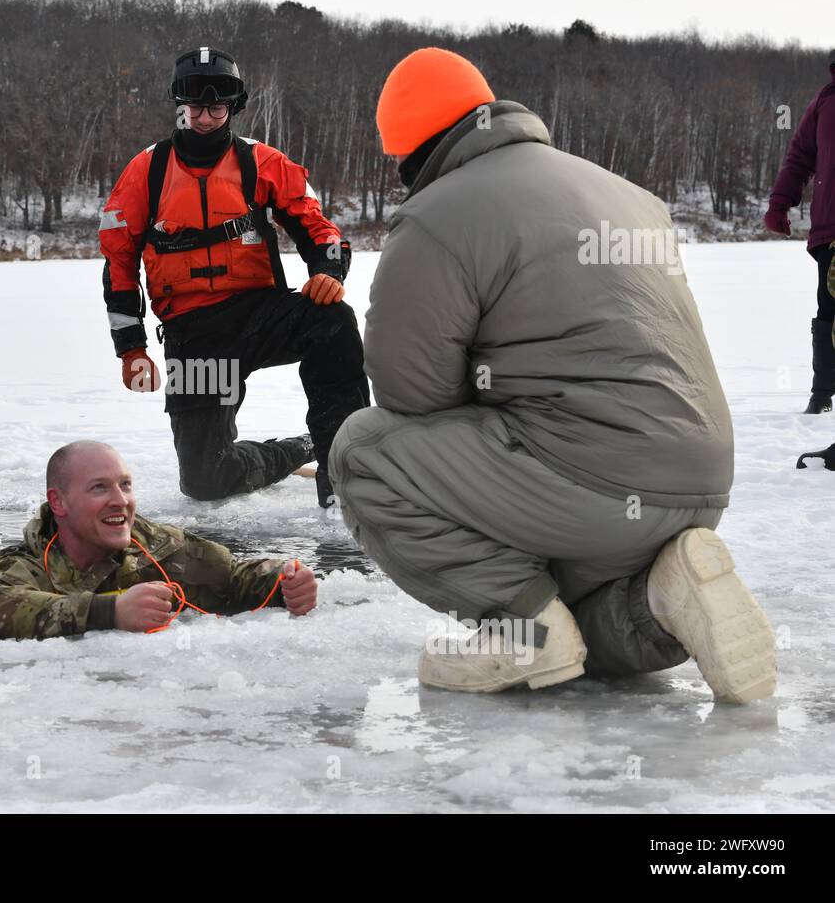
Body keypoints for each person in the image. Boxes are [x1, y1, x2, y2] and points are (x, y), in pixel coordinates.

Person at [327, 48, 776, 703]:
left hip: (584, 475)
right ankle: (662, 598)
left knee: (363, 453)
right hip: (696, 484)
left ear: (408, 152)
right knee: (572, 613)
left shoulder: (438, 215)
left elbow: (408, 395)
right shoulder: (623, 193)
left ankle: (520, 632)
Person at [99, 46, 369, 507]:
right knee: (206, 481)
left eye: (217, 107)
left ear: (233, 108)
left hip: (260, 318)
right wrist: (131, 348)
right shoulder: (146, 171)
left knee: (333, 319)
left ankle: (347, 474)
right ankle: (294, 450)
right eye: (198, 106)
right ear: (180, 104)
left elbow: (320, 230)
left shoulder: (262, 163)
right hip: (196, 335)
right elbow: (119, 263)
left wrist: (328, 271)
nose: (207, 117)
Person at [0, 441, 318, 639]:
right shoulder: (30, 562)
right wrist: (110, 613)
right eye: (100, 487)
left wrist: (282, 579)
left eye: (125, 485)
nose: (120, 500)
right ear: (59, 502)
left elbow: (234, 577)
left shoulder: (159, 546)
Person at [766, 49, 835, 414]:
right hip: (831, 230)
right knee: (829, 313)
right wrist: (780, 202)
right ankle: (822, 395)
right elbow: (800, 157)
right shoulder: (826, 101)